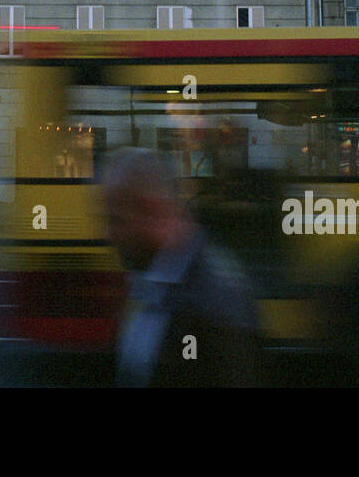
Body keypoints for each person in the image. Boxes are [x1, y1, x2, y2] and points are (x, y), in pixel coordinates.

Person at [100, 146, 260, 387]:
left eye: (116, 219)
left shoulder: (217, 301)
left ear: (149, 209)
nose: (108, 234)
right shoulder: (149, 278)